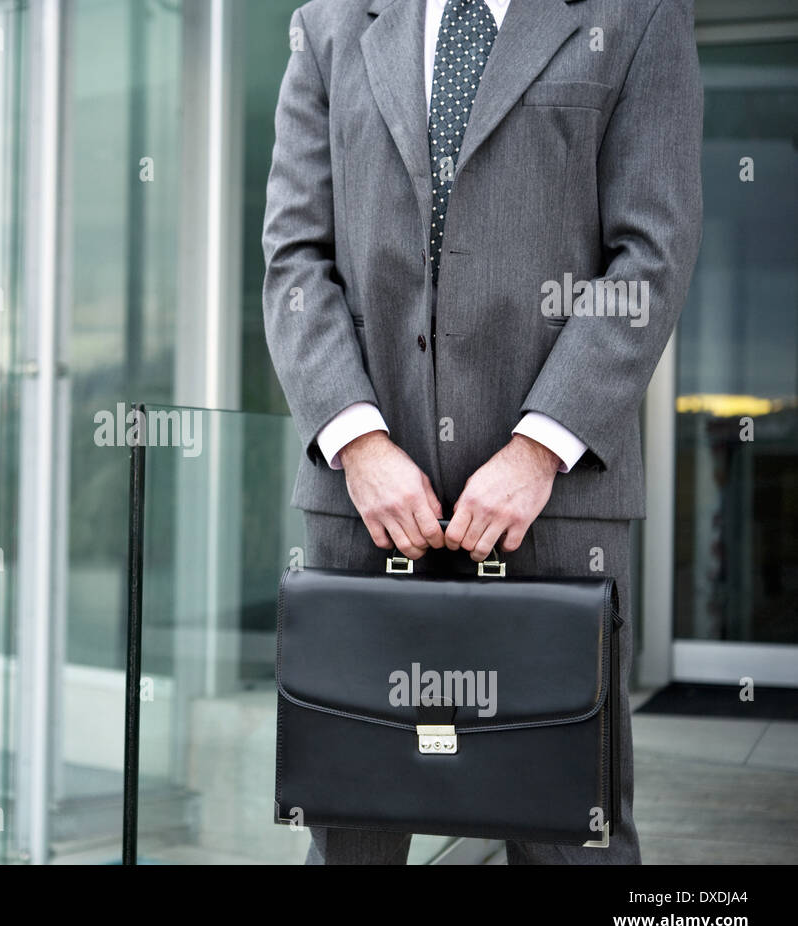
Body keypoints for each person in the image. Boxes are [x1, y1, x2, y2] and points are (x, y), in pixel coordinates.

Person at [261, 0, 703, 864]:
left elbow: (652, 251)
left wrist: (543, 444)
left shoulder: (640, 15)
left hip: (560, 504)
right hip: (365, 505)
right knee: (351, 832)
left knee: (573, 835)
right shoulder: (329, 23)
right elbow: (293, 255)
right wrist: (357, 441)